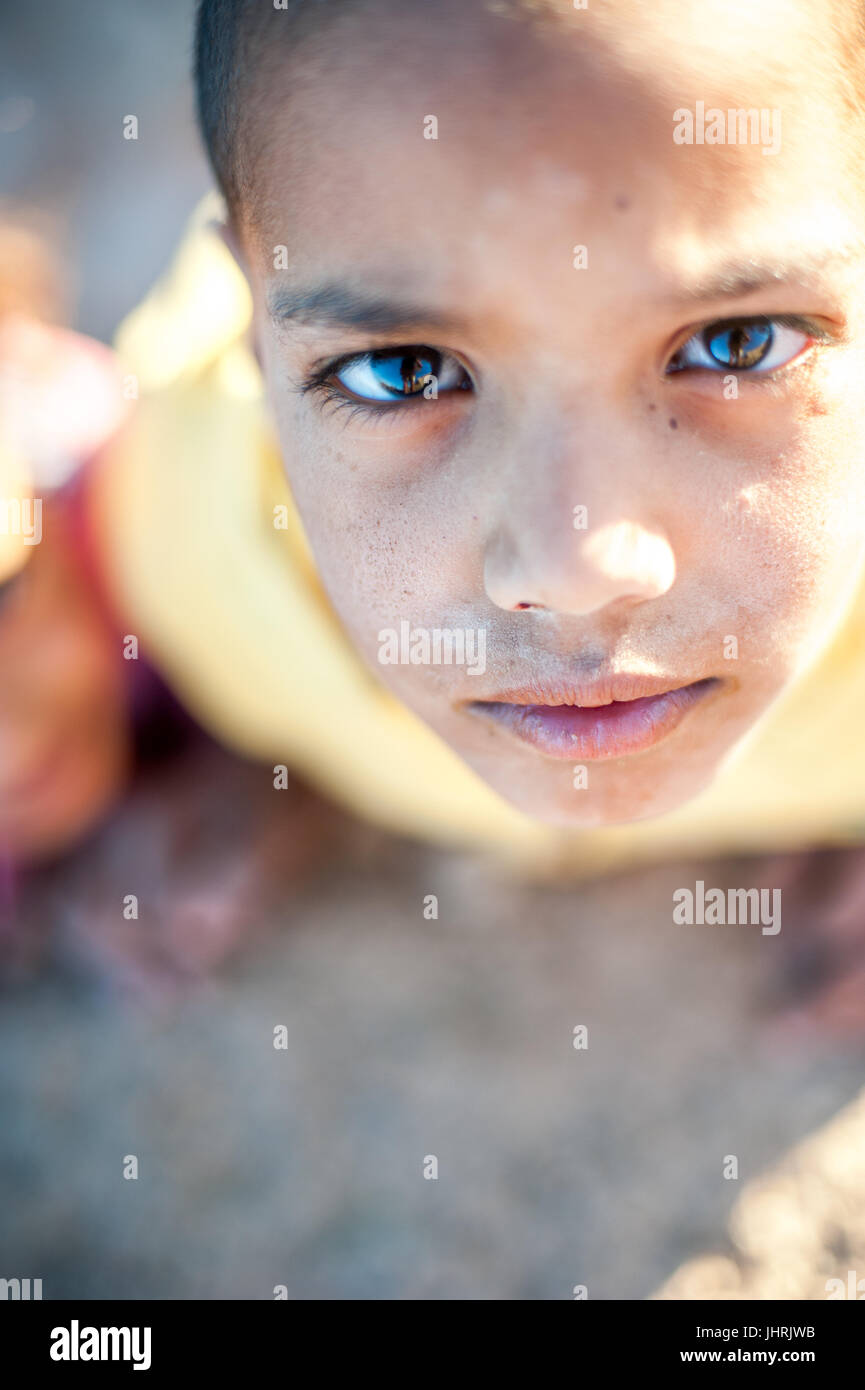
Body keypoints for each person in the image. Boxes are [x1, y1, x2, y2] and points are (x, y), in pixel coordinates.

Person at [88, 0, 865, 882]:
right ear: (255, 338)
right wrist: (253, 751)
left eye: (737, 345)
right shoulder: (185, 546)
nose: (573, 573)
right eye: (405, 371)